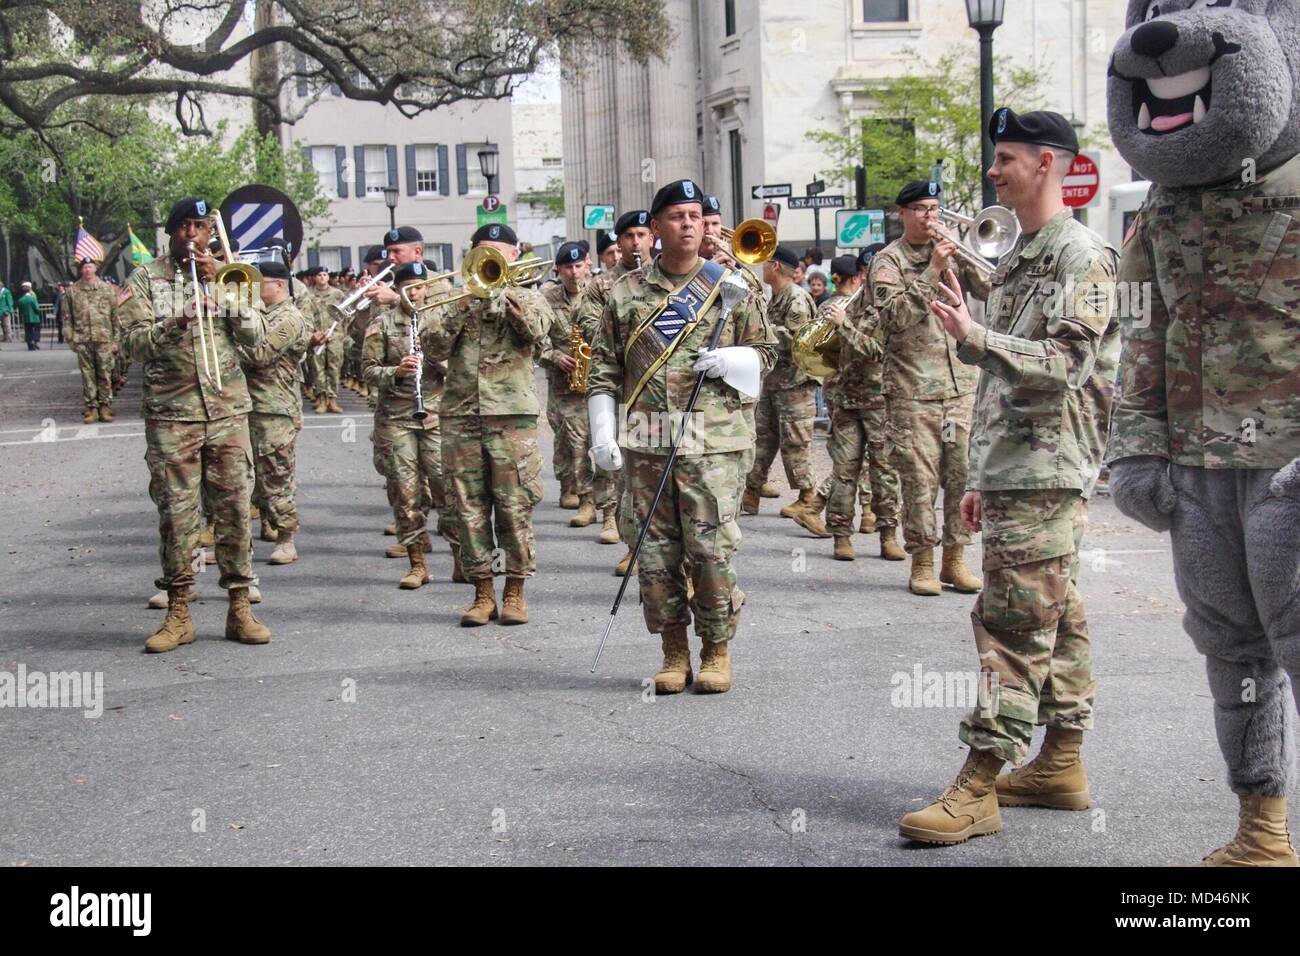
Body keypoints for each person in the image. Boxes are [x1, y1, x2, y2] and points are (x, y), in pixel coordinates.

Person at [898, 109, 1119, 845]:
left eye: (1007, 159)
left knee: (1013, 626)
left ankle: (980, 782)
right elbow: (1001, 370)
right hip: (1019, 467)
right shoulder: (1027, 255)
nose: (994, 172)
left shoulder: (1080, 255)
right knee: (1061, 615)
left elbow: (1063, 365)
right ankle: (1060, 764)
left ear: (1047, 164)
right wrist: (981, 474)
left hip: (1049, 467)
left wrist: (975, 333)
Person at [587, 178, 776, 695]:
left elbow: (769, 352)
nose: (689, 224)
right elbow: (602, 369)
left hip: (714, 443)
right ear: (654, 228)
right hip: (647, 441)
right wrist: (602, 431)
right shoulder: (623, 294)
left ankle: (716, 649)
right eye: (676, 216)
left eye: (695, 215)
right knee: (653, 552)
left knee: (711, 550)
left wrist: (736, 360)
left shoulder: (733, 285)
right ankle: (673, 651)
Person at [117, 197, 272, 653]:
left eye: (200, 227)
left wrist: (223, 288)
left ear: (210, 233)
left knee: (235, 513)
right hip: (173, 415)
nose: (192, 235)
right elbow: (132, 345)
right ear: (171, 231)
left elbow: (256, 337)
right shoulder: (146, 278)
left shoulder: (232, 273)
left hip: (227, 414)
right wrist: (178, 319)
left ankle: (240, 608)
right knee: (177, 517)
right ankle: (179, 612)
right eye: (184, 226)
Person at [422, 223, 553, 625]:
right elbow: (432, 345)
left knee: (515, 506)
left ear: (515, 255)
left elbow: (537, 332)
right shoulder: (451, 297)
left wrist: (504, 294)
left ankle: (514, 589)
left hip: (511, 416)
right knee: (467, 506)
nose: (491, 258)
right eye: (483, 252)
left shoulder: (533, 296)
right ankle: (482, 592)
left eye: (499, 251)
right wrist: (466, 303)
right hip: (461, 414)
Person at [872, 180, 989, 595]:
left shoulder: (953, 253)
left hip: (961, 386)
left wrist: (967, 256)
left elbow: (993, 288)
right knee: (919, 481)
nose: (930, 217)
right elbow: (894, 316)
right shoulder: (887, 261)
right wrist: (933, 269)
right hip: (912, 391)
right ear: (901, 213)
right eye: (920, 209)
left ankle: (955, 560)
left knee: (962, 477)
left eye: (935, 209)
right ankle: (922, 561)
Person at [574, 211, 657, 568]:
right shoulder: (602, 286)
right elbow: (590, 323)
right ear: (618, 243)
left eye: (641, 234)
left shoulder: (668, 276)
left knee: (662, 474)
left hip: (657, 394)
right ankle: (634, 545)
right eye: (628, 236)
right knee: (626, 475)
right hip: (621, 391)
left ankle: (668, 553)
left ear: (652, 237)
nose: (635, 242)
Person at [363, 261, 452, 589]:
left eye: (420, 286)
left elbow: (458, 367)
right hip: (396, 419)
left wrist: (435, 360)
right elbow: (368, 370)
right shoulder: (381, 324)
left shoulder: (439, 321)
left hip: (436, 417)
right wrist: (395, 372)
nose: (415, 292)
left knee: (447, 488)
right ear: (397, 290)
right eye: (407, 288)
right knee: (405, 492)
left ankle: (460, 557)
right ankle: (417, 563)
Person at [817, 256, 901, 560]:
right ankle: (840, 534)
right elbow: (826, 350)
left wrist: (845, 327)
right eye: (869, 272)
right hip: (846, 400)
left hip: (879, 402)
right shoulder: (845, 304)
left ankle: (888, 534)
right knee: (844, 470)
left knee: (884, 471)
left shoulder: (888, 309)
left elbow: (878, 351)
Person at [742, 244, 826, 536]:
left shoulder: (797, 299)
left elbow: (798, 341)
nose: (761, 267)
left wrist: (761, 329)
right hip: (774, 383)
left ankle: (807, 498)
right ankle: (750, 492)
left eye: (765, 263)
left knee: (796, 444)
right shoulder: (775, 297)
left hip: (795, 385)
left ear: (775, 266)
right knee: (762, 440)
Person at [237, 260, 310, 565]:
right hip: (245, 405)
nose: (252, 289)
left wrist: (230, 343)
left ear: (279, 284)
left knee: (277, 477)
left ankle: (286, 538)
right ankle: (240, 539)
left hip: (274, 409)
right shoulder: (261, 314)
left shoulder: (290, 318)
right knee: (239, 477)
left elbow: (262, 354)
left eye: (259, 282)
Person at [538, 241, 595, 523]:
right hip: (563, 383)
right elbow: (536, 341)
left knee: (588, 440)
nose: (574, 272)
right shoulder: (547, 298)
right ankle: (568, 484)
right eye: (567, 268)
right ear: (558, 270)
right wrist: (555, 356)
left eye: (577, 266)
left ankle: (592, 497)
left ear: (587, 264)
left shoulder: (599, 293)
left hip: (595, 378)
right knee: (566, 439)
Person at [65, 259, 120, 423]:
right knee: (87, 375)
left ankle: (105, 406)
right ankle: (91, 408)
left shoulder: (106, 290)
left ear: (95, 269)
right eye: (84, 267)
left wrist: (116, 340)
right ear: (81, 270)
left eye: (90, 267)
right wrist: (71, 339)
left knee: (105, 373)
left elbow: (115, 317)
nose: (87, 270)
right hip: (83, 339)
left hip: (104, 339)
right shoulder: (72, 291)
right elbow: (67, 318)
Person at [304, 265, 344, 413]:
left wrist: (340, 333)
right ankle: (321, 398)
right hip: (317, 335)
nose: (322, 277)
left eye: (325, 275)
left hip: (335, 335)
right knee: (317, 367)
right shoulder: (308, 295)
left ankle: (332, 398)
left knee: (334, 367)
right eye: (319, 275)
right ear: (315, 277)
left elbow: (345, 314)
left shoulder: (337, 294)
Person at [18, 282, 42, 350]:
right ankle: (35, 340)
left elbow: (20, 310)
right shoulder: (33, 298)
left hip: (26, 318)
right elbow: (37, 308)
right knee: (37, 330)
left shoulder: (21, 300)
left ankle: (30, 345)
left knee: (28, 332)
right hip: (35, 318)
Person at [0, 278, 14, 344]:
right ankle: (5, 337)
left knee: (7, 325)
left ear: (1, 286)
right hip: (0, 311)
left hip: (5, 311)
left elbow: (10, 302)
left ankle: (9, 337)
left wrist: (9, 310)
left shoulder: (6, 292)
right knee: (3, 325)